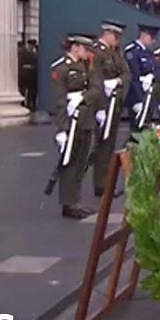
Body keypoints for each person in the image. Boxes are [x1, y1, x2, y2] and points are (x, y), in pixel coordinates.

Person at [50, 32, 101, 219]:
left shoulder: (88, 66)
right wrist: (61, 129)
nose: (88, 52)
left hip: (86, 119)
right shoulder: (61, 68)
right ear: (75, 47)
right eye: (85, 49)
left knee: (82, 161)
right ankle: (68, 202)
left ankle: (76, 200)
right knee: (69, 163)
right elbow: (60, 101)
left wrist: (82, 96)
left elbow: (96, 88)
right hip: (71, 121)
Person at [91, 20, 131, 197]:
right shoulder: (96, 52)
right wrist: (100, 107)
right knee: (100, 145)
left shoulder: (115, 53)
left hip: (114, 103)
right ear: (106, 33)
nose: (118, 40)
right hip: (102, 104)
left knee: (109, 146)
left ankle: (105, 184)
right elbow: (95, 80)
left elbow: (126, 73)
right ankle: (100, 184)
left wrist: (117, 81)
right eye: (115, 36)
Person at [124, 24, 159, 132]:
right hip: (137, 94)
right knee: (136, 128)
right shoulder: (132, 51)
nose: (153, 41)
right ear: (143, 35)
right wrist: (137, 100)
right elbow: (133, 77)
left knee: (145, 128)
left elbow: (157, 69)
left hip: (148, 94)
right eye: (151, 37)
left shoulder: (149, 52)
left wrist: (152, 75)